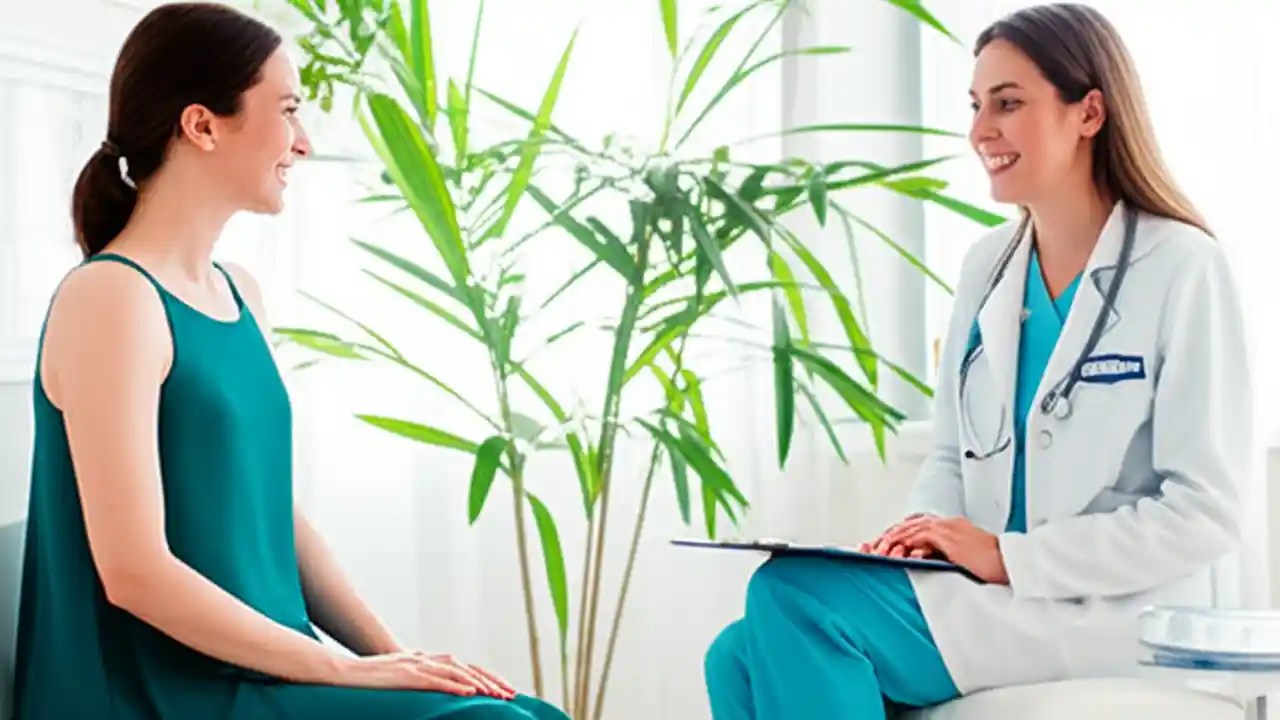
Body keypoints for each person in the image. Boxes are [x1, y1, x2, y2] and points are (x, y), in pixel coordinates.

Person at [11, 4, 568, 719]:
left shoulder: (240, 292)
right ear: (202, 125)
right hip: (166, 693)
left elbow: (274, 511)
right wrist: (338, 669)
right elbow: (134, 575)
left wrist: (394, 661)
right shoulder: (111, 298)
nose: (302, 143)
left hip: (269, 668)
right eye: (288, 110)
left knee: (524, 714)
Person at [703, 3, 1252, 718]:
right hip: (1000, 595)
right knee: (737, 654)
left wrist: (1009, 557)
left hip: (1115, 610)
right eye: (975, 105)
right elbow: (953, 460)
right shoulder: (987, 267)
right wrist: (918, 539)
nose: (980, 130)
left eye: (1008, 102)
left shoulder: (1181, 265)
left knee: (791, 595)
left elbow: (1203, 513)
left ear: (1089, 113)